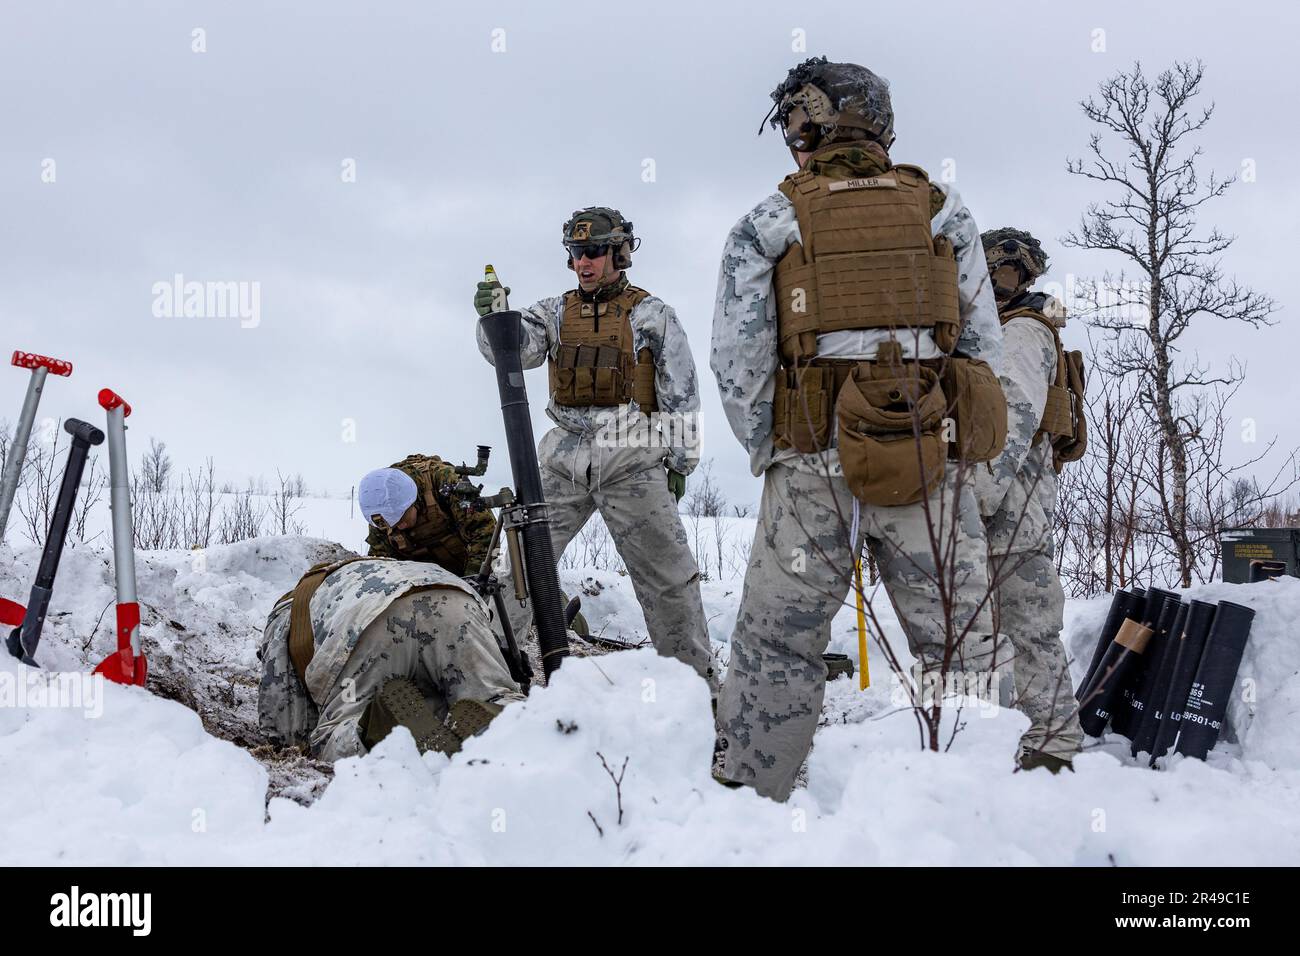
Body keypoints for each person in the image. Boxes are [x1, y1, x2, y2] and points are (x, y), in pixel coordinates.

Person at [711, 57, 1009, 800]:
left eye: (792, 126)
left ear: (812, 125)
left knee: (778, 643)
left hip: (811, 460)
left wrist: (769, 447)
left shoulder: (769, 220)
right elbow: (981, 349)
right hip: (923, 459)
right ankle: (989, 802)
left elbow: (737, 357)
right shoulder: (944, 210)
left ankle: (751, 805)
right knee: (962, 639)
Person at [474, 207, 716, 690]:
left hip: (632, 459)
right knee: (514, 572)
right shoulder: (552, 312)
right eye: (574, 253)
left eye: (593, 252)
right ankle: (484, 684)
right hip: (562, 459)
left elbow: (681, 391)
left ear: (620, 252)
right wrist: (494, 320)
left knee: (669, 582)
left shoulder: (653, 314)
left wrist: (682, 460)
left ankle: (696, 696)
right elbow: (517, 351)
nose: (582, 263)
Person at [978, 227, 1086, 772]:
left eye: (998, 272)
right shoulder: (1002, 331)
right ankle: (1007, 745)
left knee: (1030, 635)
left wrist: (973, 503)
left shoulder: (1021, 334)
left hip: (1009, 515)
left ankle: (1051, 751)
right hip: (1008, 513)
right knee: (999, 639)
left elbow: (1011, 421)